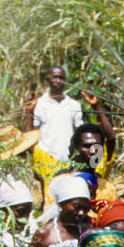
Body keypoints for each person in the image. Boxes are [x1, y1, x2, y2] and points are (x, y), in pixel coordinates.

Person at [26, 66, 82, 204]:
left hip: (68, 159)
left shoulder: (73, 105)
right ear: (47, 79)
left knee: (67, 196)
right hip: (46, 157)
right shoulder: (39, 104)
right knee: (48, 196)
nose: (58, 80)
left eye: (61, 77)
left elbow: (79, 131)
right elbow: (34, 132)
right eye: (54, 77)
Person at [30, 174, 92, 247]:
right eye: (77, 206)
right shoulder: (44, 234)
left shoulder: (88, 231)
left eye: (85, 208)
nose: (81, 213)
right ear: (62, 204)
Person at [68, 109, 118, 201]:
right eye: (87, 146)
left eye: (97, 146)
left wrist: (96, 107)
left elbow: (111, 139)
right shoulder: (62, 184)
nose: (92, 151)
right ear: (76, 149)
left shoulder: (107, 189)